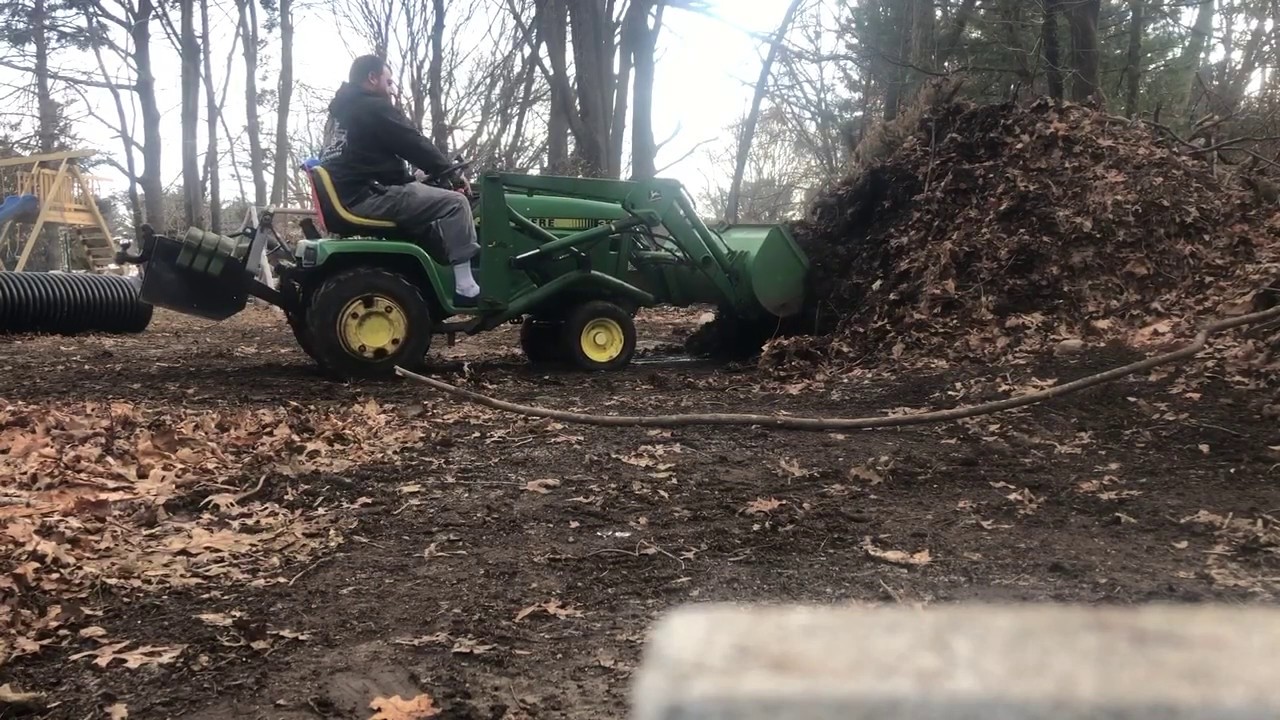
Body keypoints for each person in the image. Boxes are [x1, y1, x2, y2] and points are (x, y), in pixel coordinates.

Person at [320, 54, 481, 306]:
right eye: (388, 81)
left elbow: (363, 159)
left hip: (352, 193)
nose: (391, 88)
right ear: (372, 78)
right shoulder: (372, 107)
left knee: (425, 206)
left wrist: (413, 177)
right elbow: (412, 142)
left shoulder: (340, 114)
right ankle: (466, 288)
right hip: (367, 196)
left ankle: (434, 281)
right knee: (455, 203)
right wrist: (451, 174)